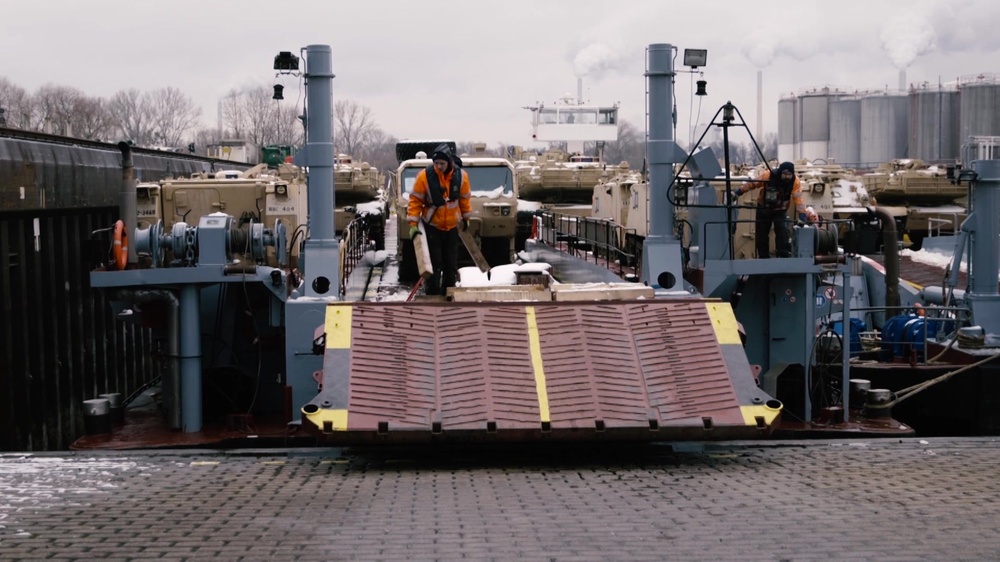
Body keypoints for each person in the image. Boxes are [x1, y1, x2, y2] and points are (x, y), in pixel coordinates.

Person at [406, 144, 472, 295]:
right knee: (434, 263)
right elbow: (415, 200)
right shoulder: (424, 177)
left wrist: (467, 217)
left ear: (449, 162)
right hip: (432, 226)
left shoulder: (461, 176)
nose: (439, 166)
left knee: (451, 263)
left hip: (451, 227)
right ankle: (432, 293)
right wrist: (413, 224)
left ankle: (449, 292)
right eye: (436, 163)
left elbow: (465, 199)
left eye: (442, 163)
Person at [732, 161, 810, 258]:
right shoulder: (768, 176)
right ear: (780, 172)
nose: (787, 177)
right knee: (762, 235)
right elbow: (753, 184)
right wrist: (738, 192)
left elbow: (799, 199)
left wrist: (802, 215)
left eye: (790, 174)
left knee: (782, 232)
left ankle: (783, 256)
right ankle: (764, 258)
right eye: (785, 174)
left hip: (780, 211)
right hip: (764, 209)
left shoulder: (795, 182)